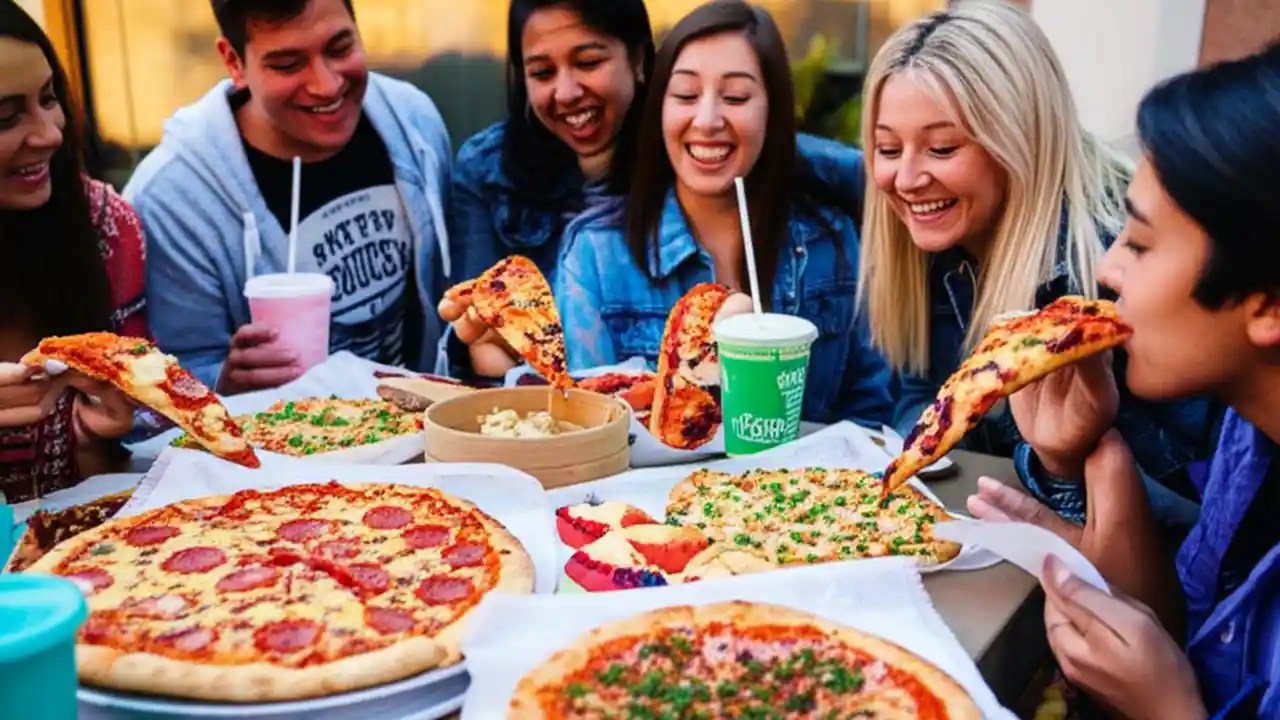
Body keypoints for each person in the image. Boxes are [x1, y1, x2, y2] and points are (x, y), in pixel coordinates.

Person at [972, 43, 1280, 719]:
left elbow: (1178, 686)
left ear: (1269, 303)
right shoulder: (1249, 438)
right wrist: (1087, 451)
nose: (1107, 271)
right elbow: (1184, 638)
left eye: (1138, 244)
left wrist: (1167, 710)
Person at [856, 0, 1216, 524]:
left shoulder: (1109, 271)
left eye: (941, 148)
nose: (907, 179)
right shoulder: (940, 236)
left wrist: (1050, 463)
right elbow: (922, 392)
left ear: (1018, 138)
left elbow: (1197, 517)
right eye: (888, 150)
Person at [438, 0, 865, 383]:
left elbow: (870, 403)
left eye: (588, 62)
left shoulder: (828, 239)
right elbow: (574, 406)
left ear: (641, 63)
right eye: (542, 72)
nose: (566, 92)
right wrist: (489, 349)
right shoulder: (583, 243)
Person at [552, 0, 892, 426]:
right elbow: (584, 422)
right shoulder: (596, 255)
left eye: (735, 96)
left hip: (807, 488)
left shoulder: (834, 244)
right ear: (660, 107)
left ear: (773, 110)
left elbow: (871, 415)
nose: (707, 120)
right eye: (686, 95)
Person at [124, 0, 452, 394]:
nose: (327, 85)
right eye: (287, 64)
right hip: (286, 451)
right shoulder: (172, 199)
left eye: (340, 48)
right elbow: (165, 387)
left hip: (425, 439)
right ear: (234, 62)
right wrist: (224, 381)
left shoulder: (414, 121)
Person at [0, 1, 145, 501]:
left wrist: (97, 434)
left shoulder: (105, 225)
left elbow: (115, 473)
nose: (49, 133)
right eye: (5, 117)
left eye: (49, 98)